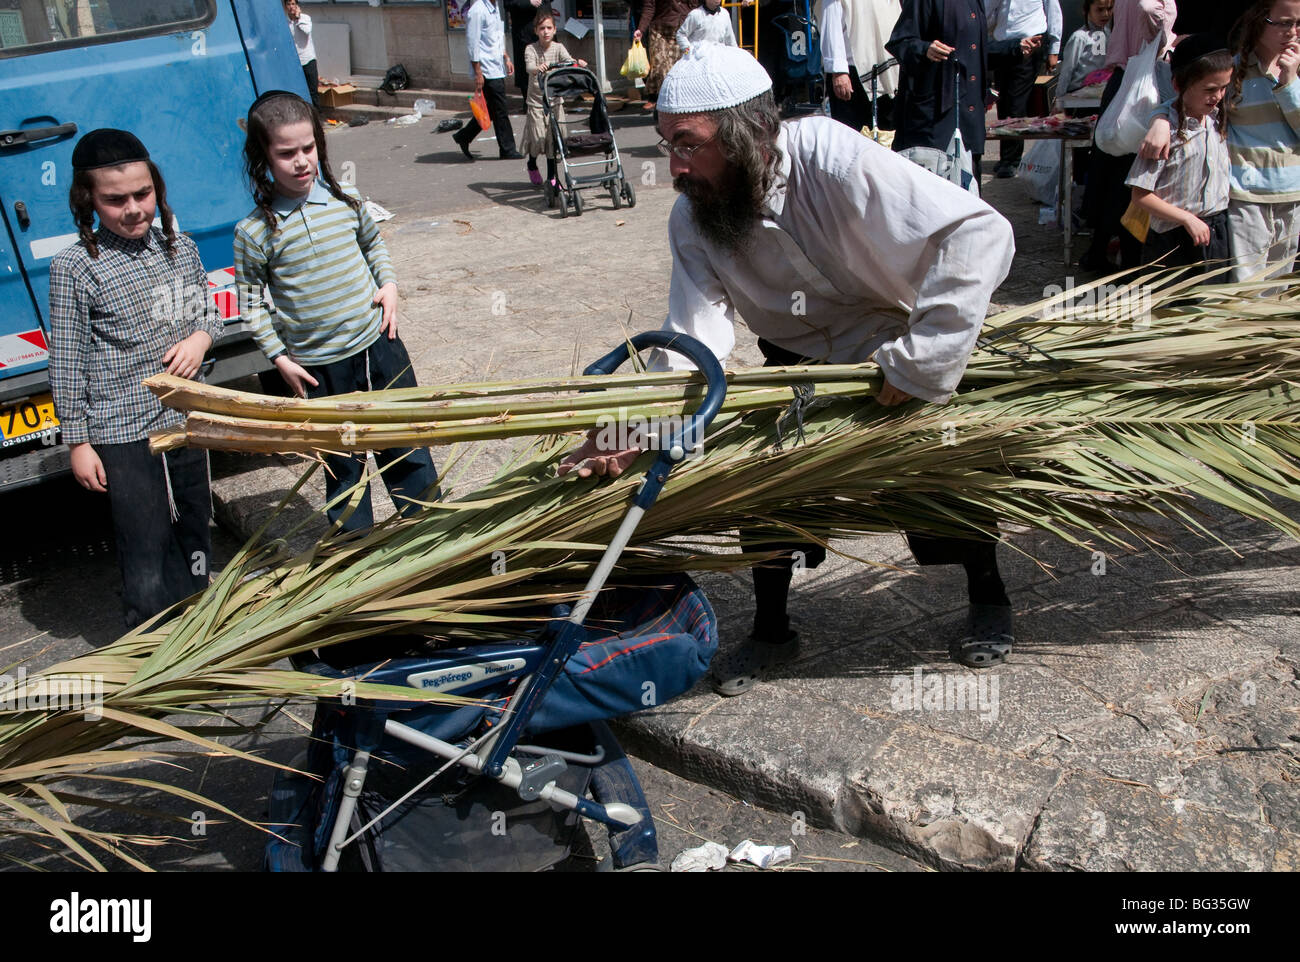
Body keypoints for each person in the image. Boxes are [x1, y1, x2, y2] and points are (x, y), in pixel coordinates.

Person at [557, 45, 1017, 694]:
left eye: (687, 145)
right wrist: (632, 429)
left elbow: (979, 233)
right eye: (667, 146)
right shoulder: (694, 218)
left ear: (748, 134)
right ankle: (773, 630)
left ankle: (989, 596)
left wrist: (922, 362)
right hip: (793, 363)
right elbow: (695, 337)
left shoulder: (830, 155)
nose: (675, 166)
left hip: (892, 349)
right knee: (768, 498)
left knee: (939, 488)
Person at [235, 92, 440, 532]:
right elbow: (250, 303)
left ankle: (428, 535)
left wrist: (388, 285)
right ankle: (355, 555)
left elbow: (372, 243)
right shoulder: (254, 232)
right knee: (343, 466)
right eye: (286, 153)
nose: (301, 161)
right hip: (318, 370)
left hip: (379, 347)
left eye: (308, 148)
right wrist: (280, 358)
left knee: (405, 444)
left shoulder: (345, 198)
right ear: (262, 157)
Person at [48, 129, 223, 630]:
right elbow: (67, 360)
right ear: (88, 200)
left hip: (186, 417)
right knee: (145, 540)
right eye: (114, 199)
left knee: (193, 523)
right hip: (122, 431)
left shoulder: (178, 247)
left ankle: (200, 622)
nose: (132, 209)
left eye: (142, 194)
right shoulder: (76, 267)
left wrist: (199, 341)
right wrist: (77, 441)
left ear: (157, 189)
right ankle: (148, 639)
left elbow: (208, 313)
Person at [1141, 1, 1300, 279]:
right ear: (1260, 19)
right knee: (1245, 286)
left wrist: (1289, 83)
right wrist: (1160, 120)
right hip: (1246, 197)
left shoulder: (1295, 70)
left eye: (1299, 24)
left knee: (1278, 287)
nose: (1293, 32)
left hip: (1293, 195)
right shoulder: (1232, 70)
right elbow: (1187, 101)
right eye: (1284, 22)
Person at [888, 0, 1041, 183]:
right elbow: (900, 42)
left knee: (968, 192)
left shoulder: (974, 3)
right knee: (937, 191)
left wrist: (1015, 48)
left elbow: (975, 52)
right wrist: (925, 49)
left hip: (968, 118)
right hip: (936, 117)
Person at [1078, 0, 1177, 271]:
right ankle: (1131, 262)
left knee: (1108, 171)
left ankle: (1098, 251)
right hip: (1143, 86)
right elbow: (1147, 8)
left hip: (1122, 82)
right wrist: (1169, 38)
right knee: (1134, 177)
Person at [1126, 37, 1233, 269]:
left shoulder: (1217, 120)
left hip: (1215, 233)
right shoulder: (1165, 133)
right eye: (1210, 89)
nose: (1218, 96)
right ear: (1178, 85)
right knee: (1172, 303)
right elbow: (1140, 195)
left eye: (1224, 88)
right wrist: (1186, 218)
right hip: (1172, 238)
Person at [987, 0, 1064, 177]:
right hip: (1003, 45)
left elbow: (1054, 13)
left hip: (1031, 42)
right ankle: (1006, 155)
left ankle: (1012, 159)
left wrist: (1054, 48)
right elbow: (989, 12)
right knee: (1004, 102)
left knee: (1016, 103)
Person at [521, 7, 587, 189]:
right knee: (537, 139)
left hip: (555, 101)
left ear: (554, 30)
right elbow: (529, 67)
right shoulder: (531, 49)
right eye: (542, 28)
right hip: (536, 102)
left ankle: (552, 178)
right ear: (536, 31)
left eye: (549, 28)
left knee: (553, 140)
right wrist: (537, 68)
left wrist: (577, 62)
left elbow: (569, 60)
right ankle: (532, 163)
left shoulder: (559, 48)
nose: (546, 32)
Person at [818, 0, 901, 133]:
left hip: (887, 70)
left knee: (887, 135)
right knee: (852, 136)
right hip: (851, 73)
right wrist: (838, 71)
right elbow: (831, 23)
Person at [454, 0, 523, 160]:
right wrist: (478, 72)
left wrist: (506, 57)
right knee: (500, 109)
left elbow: (497, 36)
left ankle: (464, 136)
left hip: (497, 65)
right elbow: (473, 44)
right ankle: (507, 149)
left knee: (492, 110)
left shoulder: (495, 7)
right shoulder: (477, 11)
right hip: (486, 69)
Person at [633, 0, 695, 103]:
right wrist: (641, 29)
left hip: (684, 32)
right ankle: (663, 105)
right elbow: (649, 7)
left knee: (683, 73)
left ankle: (678, 106)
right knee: (661, 71)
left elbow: (698, 6)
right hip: (660, 31)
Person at [1057, 0, 1114, 98]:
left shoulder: (1110, 34)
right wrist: (1060, 98)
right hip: (1080, 92)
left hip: (1103, 90)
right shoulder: (1079, 37)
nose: (1105, 14)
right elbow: (1068, 69)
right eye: (1099, 10)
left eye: (1109, 9)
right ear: (1086, 10)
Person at [284, 0, 320, 108]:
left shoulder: (305, 18)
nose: (291, 7)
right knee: (297, 92)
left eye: (293, 4)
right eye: (289, 4)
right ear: (285, 6)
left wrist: (298, 18)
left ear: (297, 6)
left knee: (313, 90)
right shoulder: (285, 22)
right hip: (295, 61)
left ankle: (317, 116)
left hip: (308, 59)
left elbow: (306, 31)